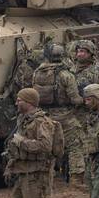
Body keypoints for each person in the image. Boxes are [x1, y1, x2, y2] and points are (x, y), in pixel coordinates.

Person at [30, 43, 81, 180]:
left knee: (47, 147)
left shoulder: (37, 73)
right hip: (65, 116)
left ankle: (45, 175)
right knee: (74, 145)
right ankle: (76, 177)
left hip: (44, 116)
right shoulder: (66, 75)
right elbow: (75, 98)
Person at [69, 39, 99, 179]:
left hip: (93, 115)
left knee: (95, 144)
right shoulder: (70, 71)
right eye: (78, 51)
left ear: (91, 53)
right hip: (75, 114)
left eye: (83, 51)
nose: (80, 54)